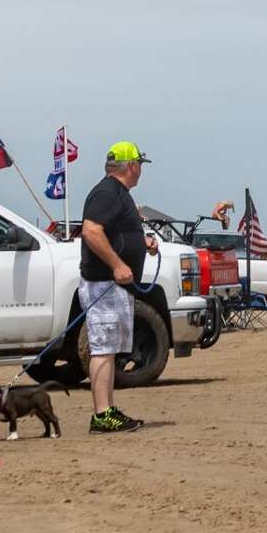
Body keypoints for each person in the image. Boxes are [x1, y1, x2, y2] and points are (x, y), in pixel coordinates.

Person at [78, 142, 157, 433]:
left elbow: (117, 232)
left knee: (109, 349)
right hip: (104, 285)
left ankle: (107, 409)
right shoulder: (107, 192)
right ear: (131, 166)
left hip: (114, 287)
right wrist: (116, 265)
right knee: (103, 348)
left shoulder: (118, 194)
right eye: (140, 164)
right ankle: (102, 414)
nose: (141, 171)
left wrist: (143, 243)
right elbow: (91, 231)